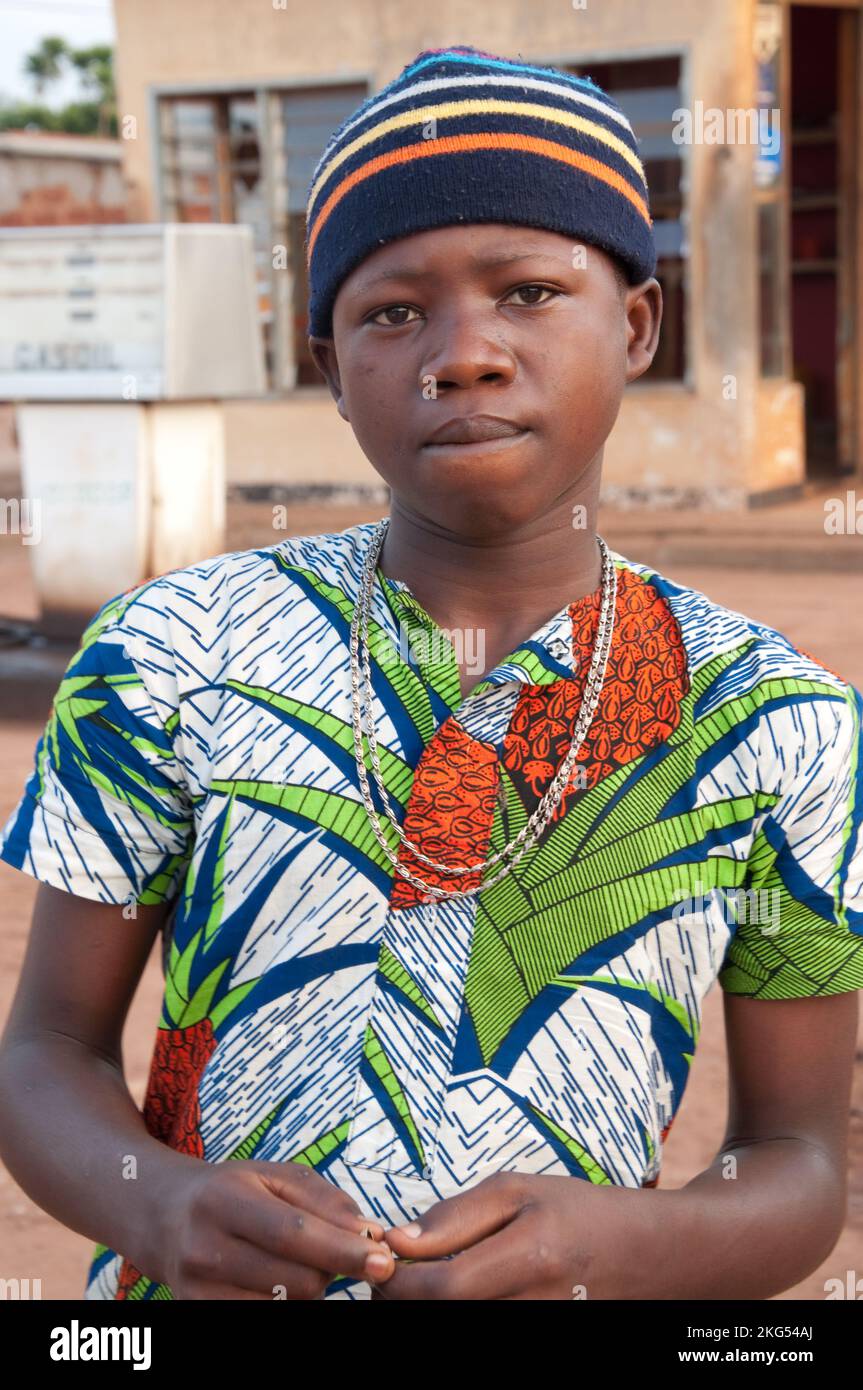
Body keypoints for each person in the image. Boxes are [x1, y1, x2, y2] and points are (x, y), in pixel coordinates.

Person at [0, 44, 861, 1302]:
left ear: (633, 326)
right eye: (391, 311)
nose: (463, 352)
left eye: (525, 291)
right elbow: (47, 1051)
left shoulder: (771, 717)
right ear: (329, 369)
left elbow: (794, 1163)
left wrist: (617, 1246)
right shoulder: (170, 652)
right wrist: (160, 1199)